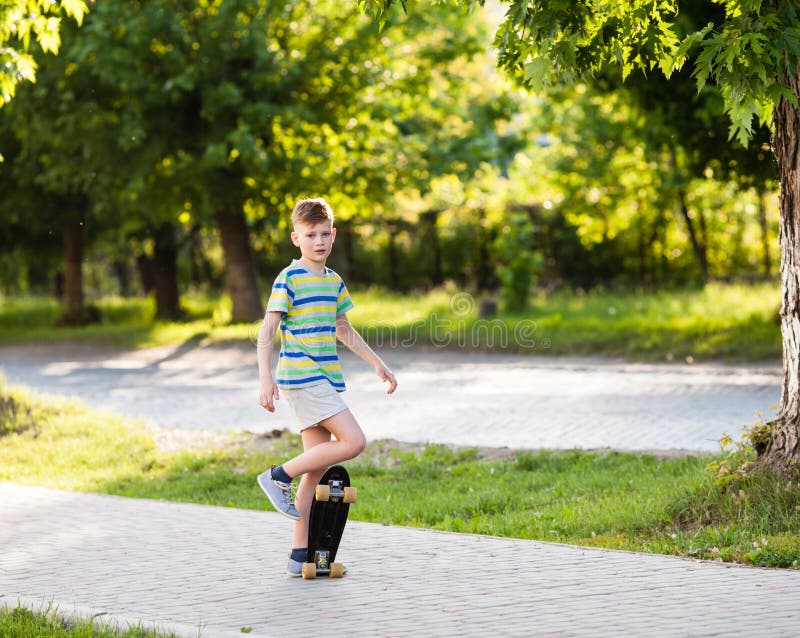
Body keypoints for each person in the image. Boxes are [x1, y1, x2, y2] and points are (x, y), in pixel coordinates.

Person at [256, 197, 397, 577]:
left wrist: (377, 364)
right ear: (295, 238)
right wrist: (265, 378)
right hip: (302, 377)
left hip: (320, 379)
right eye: (309, 235)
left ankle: (299, 555)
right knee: (354, 442)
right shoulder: (289, 279)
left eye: (323, 234)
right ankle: (276, 476)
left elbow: (344, 330)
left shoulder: (333, 281)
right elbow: (266, 332)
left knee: (315, 473)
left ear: (333, 236)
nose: (318, 241)